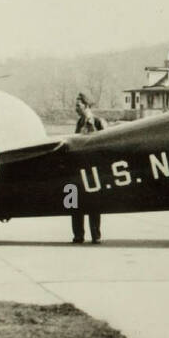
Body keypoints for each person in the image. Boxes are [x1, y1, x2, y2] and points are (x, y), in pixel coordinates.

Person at [71, 93, 104, 244]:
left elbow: (107, 142)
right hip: (79, 168)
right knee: (75, 202)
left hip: (94, 169)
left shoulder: (98, 122)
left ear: (86, 106)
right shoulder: (79, 123)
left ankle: (95, 235)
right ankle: (78, 235)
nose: (76, 108)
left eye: (78, 105)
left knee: (94, 204)